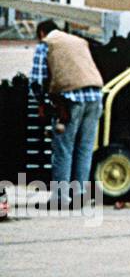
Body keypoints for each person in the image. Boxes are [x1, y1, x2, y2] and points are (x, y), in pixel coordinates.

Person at [30, 20, 104, 207]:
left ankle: (60, 199)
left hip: (69, 101)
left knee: (63, 149)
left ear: (41, 32)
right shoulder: (78, 41)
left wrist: (41, 103)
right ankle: (79, 196)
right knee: (84, 149)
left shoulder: (47, 44)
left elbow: (37, 81)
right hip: (95, 96)